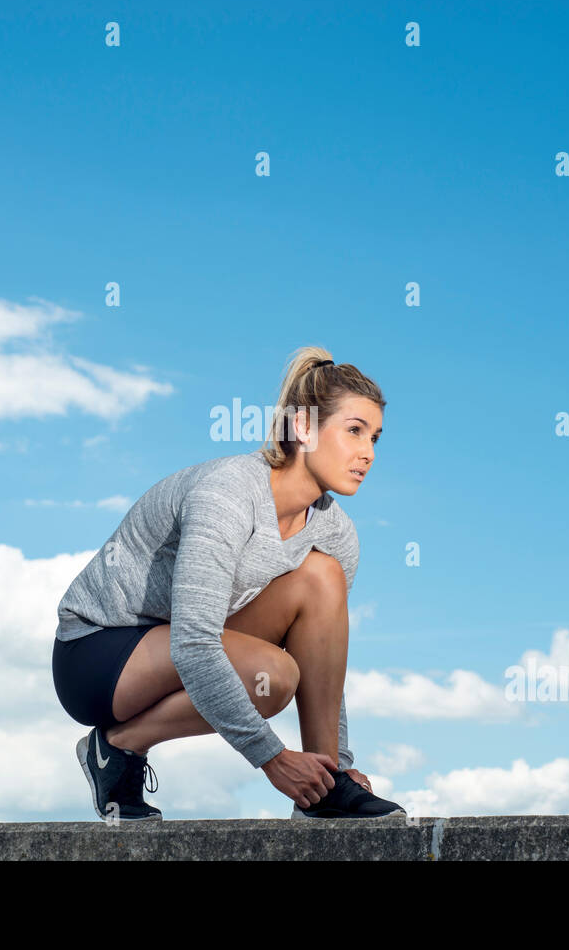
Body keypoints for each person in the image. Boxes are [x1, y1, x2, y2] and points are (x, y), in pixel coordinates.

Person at [52, 345, 405, 821]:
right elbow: (196, 644)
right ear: (302, 428)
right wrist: (273, 759)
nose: (367, 453)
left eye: (376, 438)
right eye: (354, 431)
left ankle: (325, 793)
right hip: (99, 653)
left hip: (182, 643)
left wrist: (337, 763)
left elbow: (324, 659)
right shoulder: (230, 492)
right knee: (273, 678)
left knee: (322, 578)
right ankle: (117, 746)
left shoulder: (335, 532)